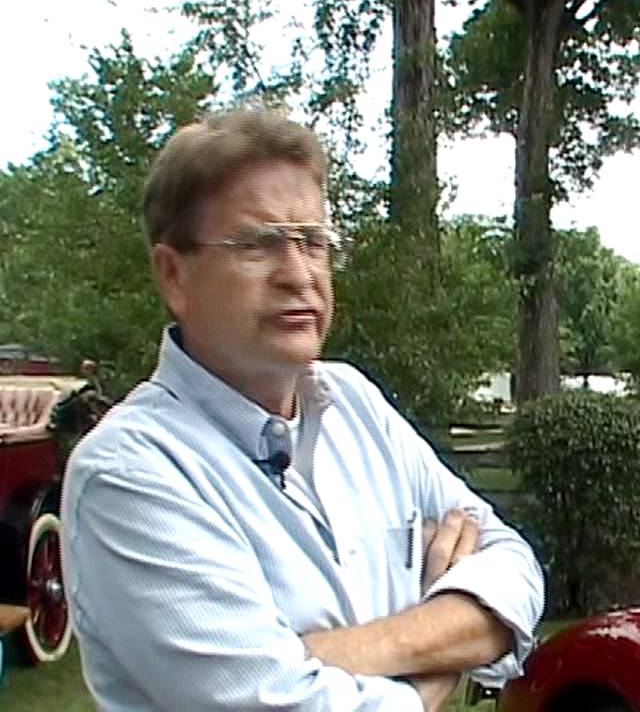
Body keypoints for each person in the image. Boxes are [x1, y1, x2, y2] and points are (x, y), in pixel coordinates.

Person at [61, 108, 544, 711]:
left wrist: (328, 651)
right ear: (173, 275)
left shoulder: (353, 405)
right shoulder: (131, 476)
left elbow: (514, 566)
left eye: (313, 241)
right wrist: (436, 673)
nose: (299, 275)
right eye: (259, 245)